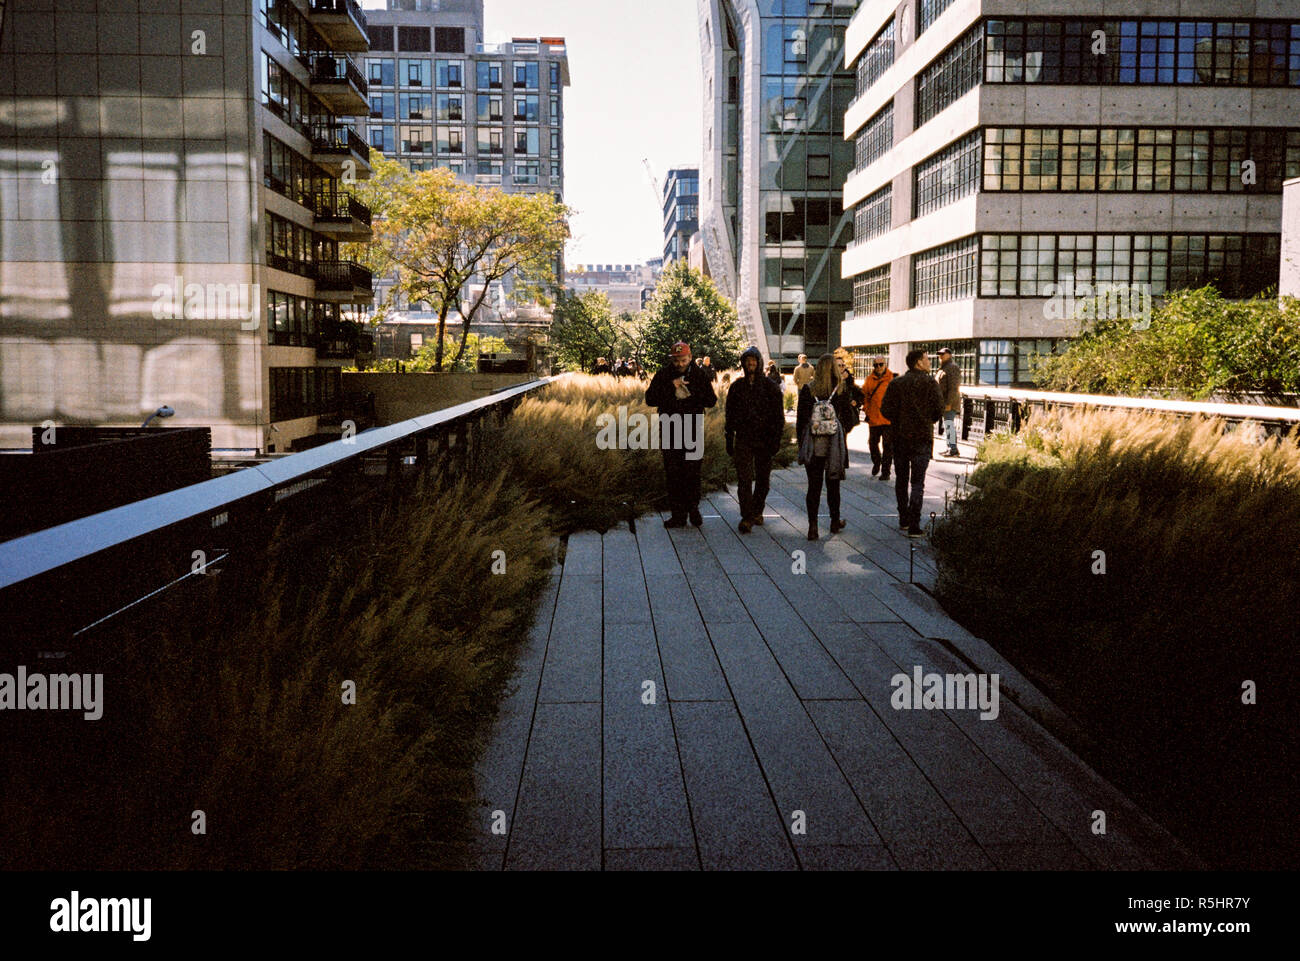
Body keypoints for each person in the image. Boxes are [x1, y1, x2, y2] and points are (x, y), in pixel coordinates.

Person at [645, 341, 718, 528]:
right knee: (673, 473)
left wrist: (692, 393)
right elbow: (650, 399)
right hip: (670, 428)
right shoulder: (663, 375)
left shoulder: (700, 375)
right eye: (676, 360)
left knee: (692, 472)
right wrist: (671, 386)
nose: (680, 364)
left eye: (683, 360)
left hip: (693, 428)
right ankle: (678, 514)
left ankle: (693, 509)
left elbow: (711, 401)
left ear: (690, 358)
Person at [880, 349, 944, 538]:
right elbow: (938, 410)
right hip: (922, 437)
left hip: (899, 438)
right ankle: (915, 524)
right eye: (926, 359)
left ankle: (903, 518)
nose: (929, 362)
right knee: (918, 482)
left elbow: (885, 409)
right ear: (918, 362)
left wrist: (899, 419)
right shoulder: (931, 383)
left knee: (901, 479)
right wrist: (926, 420)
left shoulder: (897, 383)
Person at [725, 346, 785, 534]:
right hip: (743, 438)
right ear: (743, 363)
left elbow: (778, 416)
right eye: (747, 360)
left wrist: (776, 440)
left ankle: (757, 510)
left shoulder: (770, 387)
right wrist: (729, 437)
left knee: (763, 480)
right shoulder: (736, 387)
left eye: (754, 360)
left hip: (764, 439)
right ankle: (747, 516)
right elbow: (730, 415)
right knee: (744, 479)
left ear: (759, 363)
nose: (751, 363)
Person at [796, 354, 854, 541]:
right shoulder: (840, 390)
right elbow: (848, 417)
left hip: (813, 444)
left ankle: (813, 526)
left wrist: (801, 443)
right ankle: (834, 521)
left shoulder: (807, 390)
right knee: (833, 484)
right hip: (833, 445)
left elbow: (800, 420)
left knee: (813, 486)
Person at [861, 355, 894, 481]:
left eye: (881, 364)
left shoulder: (892, 378)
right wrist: (866, 409)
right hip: (874, 418)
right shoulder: (869, 379)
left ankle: (886, 471)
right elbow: (865, 396)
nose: (878, 367)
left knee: (888, 446)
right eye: (876, 365)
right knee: (872, 444)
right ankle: (876, 462)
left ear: (885, 364)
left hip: (888, 419)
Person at [935, 347, 962, 457]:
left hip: (949, 403)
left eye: (943, 354)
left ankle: (953, 449)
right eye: (939, 354)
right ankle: (950, 447)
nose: (940, 356)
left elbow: (953, 388)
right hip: (944, 402)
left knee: (949, 424)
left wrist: (948, 404)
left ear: (949, 355)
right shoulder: (944, 368)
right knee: (947, 425)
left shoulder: (952, 368)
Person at [832, 348, 866, 437]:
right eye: (839, 365)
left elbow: (860, 394)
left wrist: (856, 402)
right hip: (832, 416)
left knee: (842, 442)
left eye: (843, 365)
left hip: (845, 417)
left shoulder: (849, 380)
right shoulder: (830, 380)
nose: (842, 368)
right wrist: (840, 380)